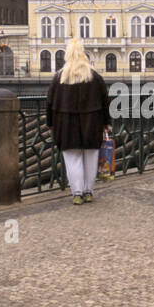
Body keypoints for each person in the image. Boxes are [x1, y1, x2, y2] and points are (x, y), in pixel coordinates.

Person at [45, 38, 110, 205]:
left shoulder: (59, 77)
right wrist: (106, 122)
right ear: (84, 54)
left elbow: (50, 103)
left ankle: (77, 193)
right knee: (90, 157)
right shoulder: (94, 76)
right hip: (92, 122)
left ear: (67, 54)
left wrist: (50, 123)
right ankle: (89, 191)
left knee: (73, 159)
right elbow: (104, 101)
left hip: (66, 123)